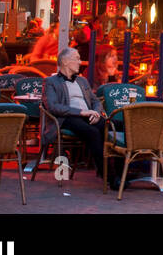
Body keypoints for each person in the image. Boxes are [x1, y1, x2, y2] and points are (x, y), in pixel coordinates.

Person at [44, 48, 119, 187]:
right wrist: (80, 112)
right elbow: (53, 107)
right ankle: (110, 177)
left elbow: (96, 101)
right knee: (93, 133)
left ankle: (121, 171)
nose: (80, 62)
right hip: (67, 118)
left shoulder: (82, 81)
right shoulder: (51, 81)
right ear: (65, 62)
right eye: (77, 58)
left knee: (117, 125)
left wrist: (96, 112)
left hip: (89, 116)